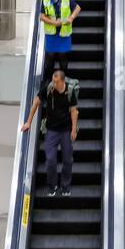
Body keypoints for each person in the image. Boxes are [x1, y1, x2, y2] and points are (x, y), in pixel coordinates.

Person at [21, 68, 78, 197]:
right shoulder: (48, 89)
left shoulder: (69, 91)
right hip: (51, 131)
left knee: (67, 160)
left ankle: (65, 186)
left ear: (62, 81)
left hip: (65, 131)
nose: (54, 83)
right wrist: (28, 122)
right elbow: (36, 103)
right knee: (50, 159)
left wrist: (74, 128)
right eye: (53, 80)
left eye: (56, 81)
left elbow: (74, 110)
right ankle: (52, 186)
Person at [40, 0, 79, 83]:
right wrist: (53, 23)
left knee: (63, 58)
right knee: (49, 58)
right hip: (51, 34)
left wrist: (71, 17)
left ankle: (62, 80)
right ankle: (48, 80)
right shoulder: (45, 1)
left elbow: (77, 8)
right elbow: (42, 16)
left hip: (64, 34)